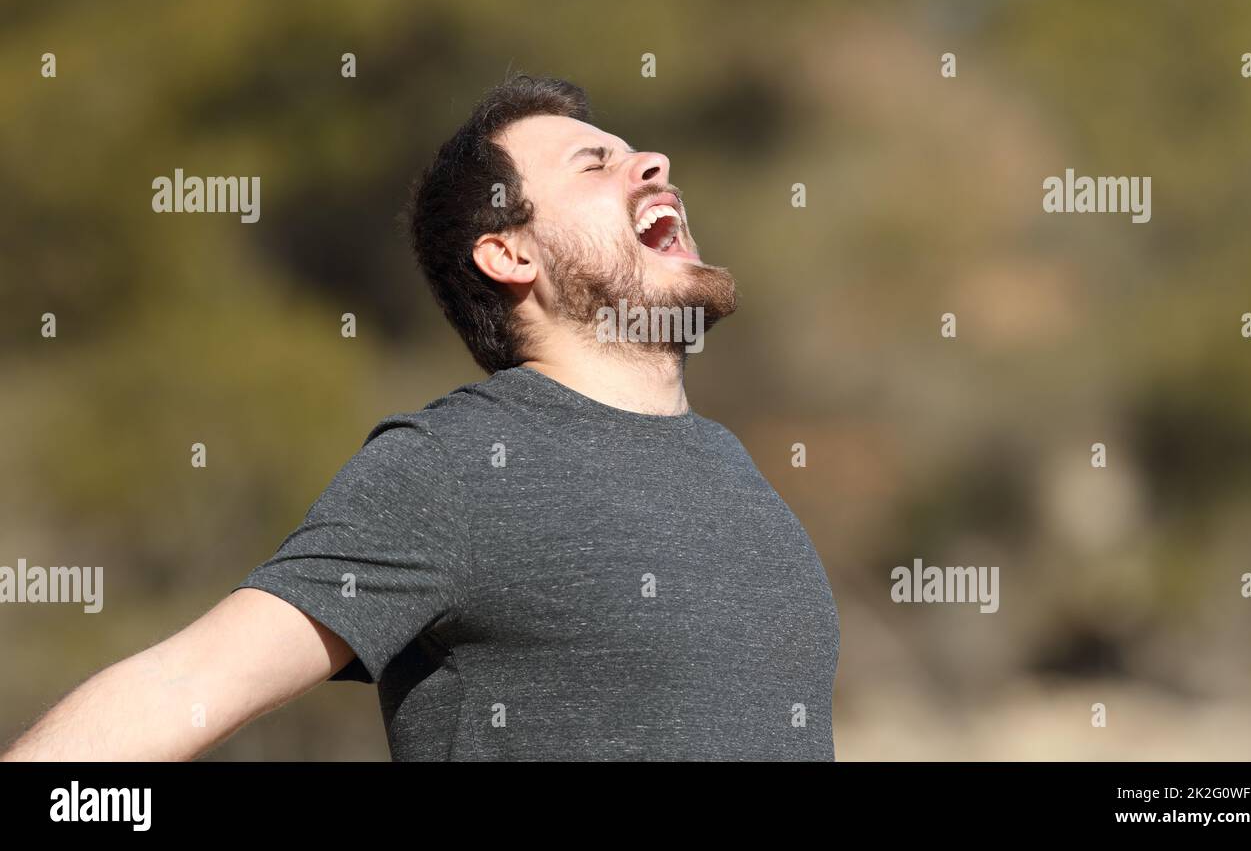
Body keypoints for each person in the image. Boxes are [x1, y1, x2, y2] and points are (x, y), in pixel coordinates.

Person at [2, 74, 839, 761]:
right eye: (595, 165)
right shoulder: (457, 465)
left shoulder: (731, 466)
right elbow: (186, 686)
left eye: (638, 156)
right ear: (509, 253)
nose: (653, 164)